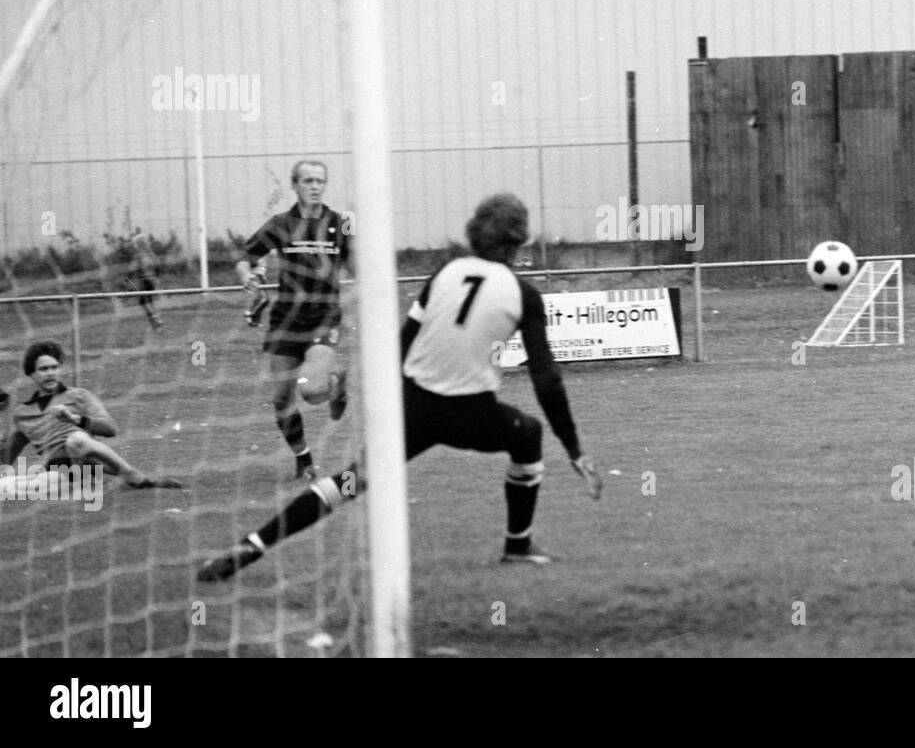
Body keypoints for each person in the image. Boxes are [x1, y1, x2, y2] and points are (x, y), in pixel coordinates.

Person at [198, 192, 600, 580]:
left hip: (414, 408)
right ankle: (518, 547)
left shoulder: (445, 273)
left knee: (350, 482)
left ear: (475, 231)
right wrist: (575, 450)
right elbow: (546, 379)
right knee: (528, 435)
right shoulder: (524, 294)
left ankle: (252, 545)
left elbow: (402, 345)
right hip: (471, 414)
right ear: (519, 241)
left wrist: (388, 406)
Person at [235, 160, 351, 480]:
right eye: (308, 181)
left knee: (312, 392)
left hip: (323, 318)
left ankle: (336, 383)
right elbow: (246, 259)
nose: (315, 187)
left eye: (320, 181)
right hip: (285, 322)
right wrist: (247, 276)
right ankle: (303, 459)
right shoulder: (280, 224)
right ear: (295, 185)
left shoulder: (339, 224)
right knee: (281, 398)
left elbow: (358, 265)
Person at [3, 340, 183, 489]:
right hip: (56, 474)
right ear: (31, 374)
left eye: (54, 367)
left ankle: (133, 475)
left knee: (75, 440)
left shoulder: (79, 395)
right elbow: (7, 452)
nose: (50, 373)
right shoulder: (22, 414)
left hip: (82, 456)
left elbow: (111, 428)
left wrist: (76, 419)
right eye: (43, 369)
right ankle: (87, 480)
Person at [125, 232, 163, 330]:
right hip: (152, 281)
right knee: (149, 300)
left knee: (143, 301)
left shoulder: (138, 255)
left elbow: (132, 269)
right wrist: (156, 277)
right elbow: (158, 266)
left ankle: (155, 319)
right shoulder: (151, 254)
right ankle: (155, 322)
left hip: (144, 280)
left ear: (138, 244)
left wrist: (127, 279)